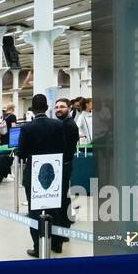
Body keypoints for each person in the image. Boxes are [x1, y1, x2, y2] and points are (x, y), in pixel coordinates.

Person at [16, 93, 66, 256]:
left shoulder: (27, 128)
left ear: (32, 109)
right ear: (46, 108)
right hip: (54, 172)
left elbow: (22, 152)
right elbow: (64, 148)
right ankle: (57, 244)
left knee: (35, 210)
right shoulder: (58, 125)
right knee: (56, 208)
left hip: (34, 174)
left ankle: (38, 247)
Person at [54, 97, 80, 233]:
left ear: (69, 108)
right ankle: (68, 219)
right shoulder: (63, 123)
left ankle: (64, 225)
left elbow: (64, 148)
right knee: (64, 194)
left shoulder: (68, 125)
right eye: (57, 107)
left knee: (62, 197)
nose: (59, 109)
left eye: (62, 107)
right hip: (63, 164)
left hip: (64, 165)